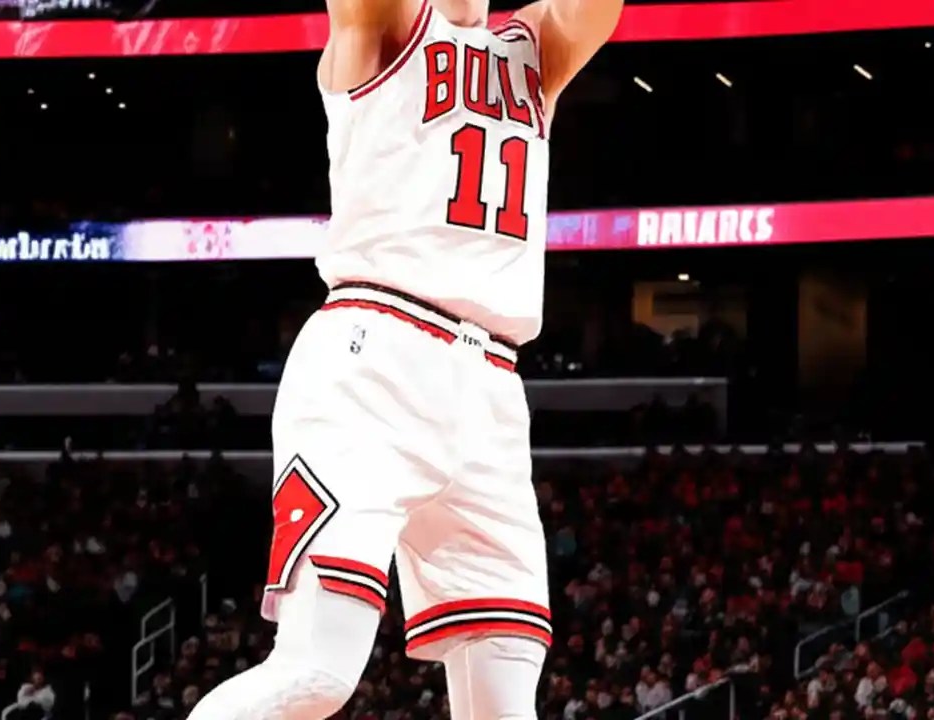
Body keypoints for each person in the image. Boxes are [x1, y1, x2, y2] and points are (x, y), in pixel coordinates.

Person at [187, 0, 621, 715]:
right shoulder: (389, 20)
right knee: (317, 673)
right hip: (375, 357)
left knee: (508, 701)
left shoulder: (535, 43)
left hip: (491, 386)